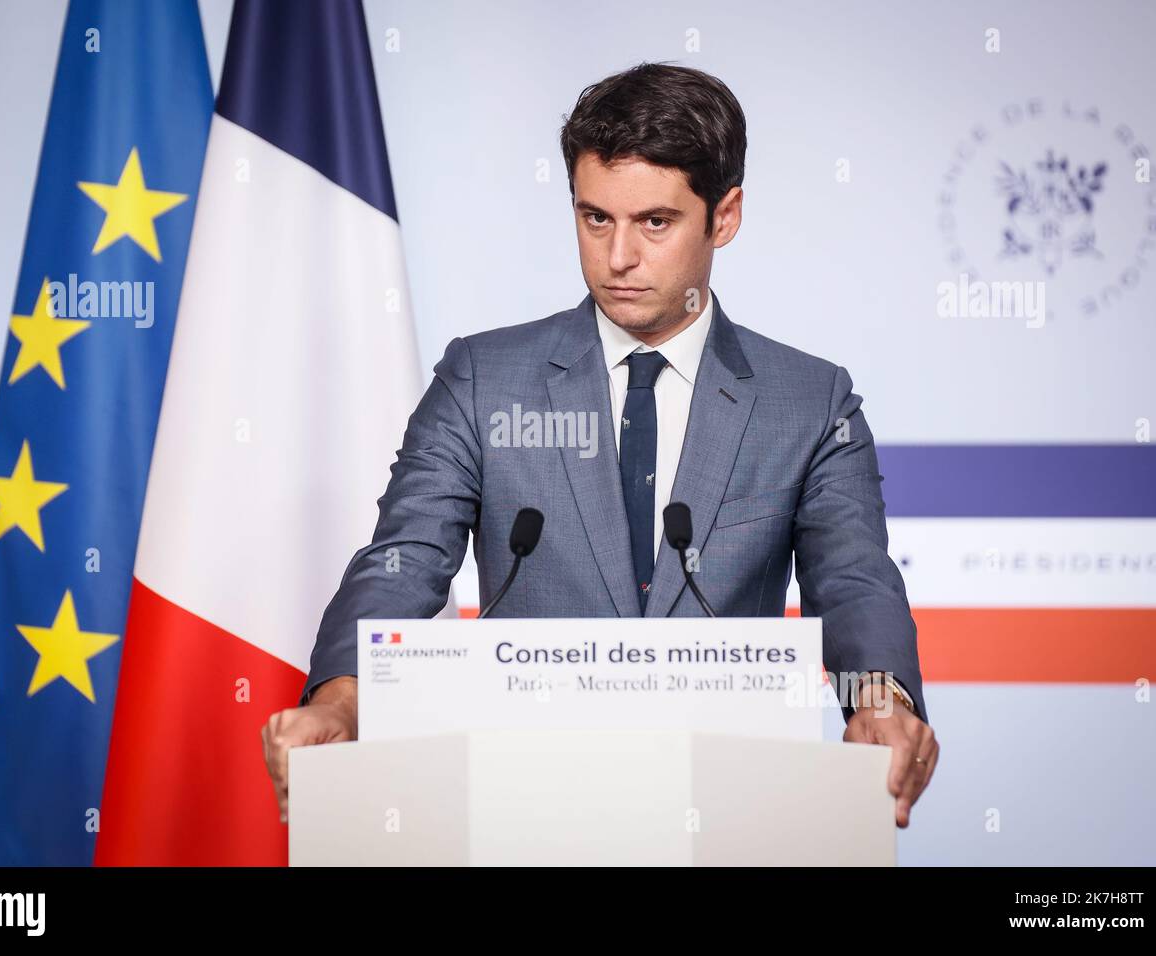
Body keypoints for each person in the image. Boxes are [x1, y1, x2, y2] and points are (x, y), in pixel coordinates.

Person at [262, 62, 938, 829]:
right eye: (594, 219)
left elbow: (852, 580)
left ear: (725, 217)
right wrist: (344, 697)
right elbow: (405, 558)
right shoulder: (483, 380)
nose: (617, 259)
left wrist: (880, 700)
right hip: (521, 814)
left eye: (655, 223)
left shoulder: (810, 402)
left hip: (724, 818)